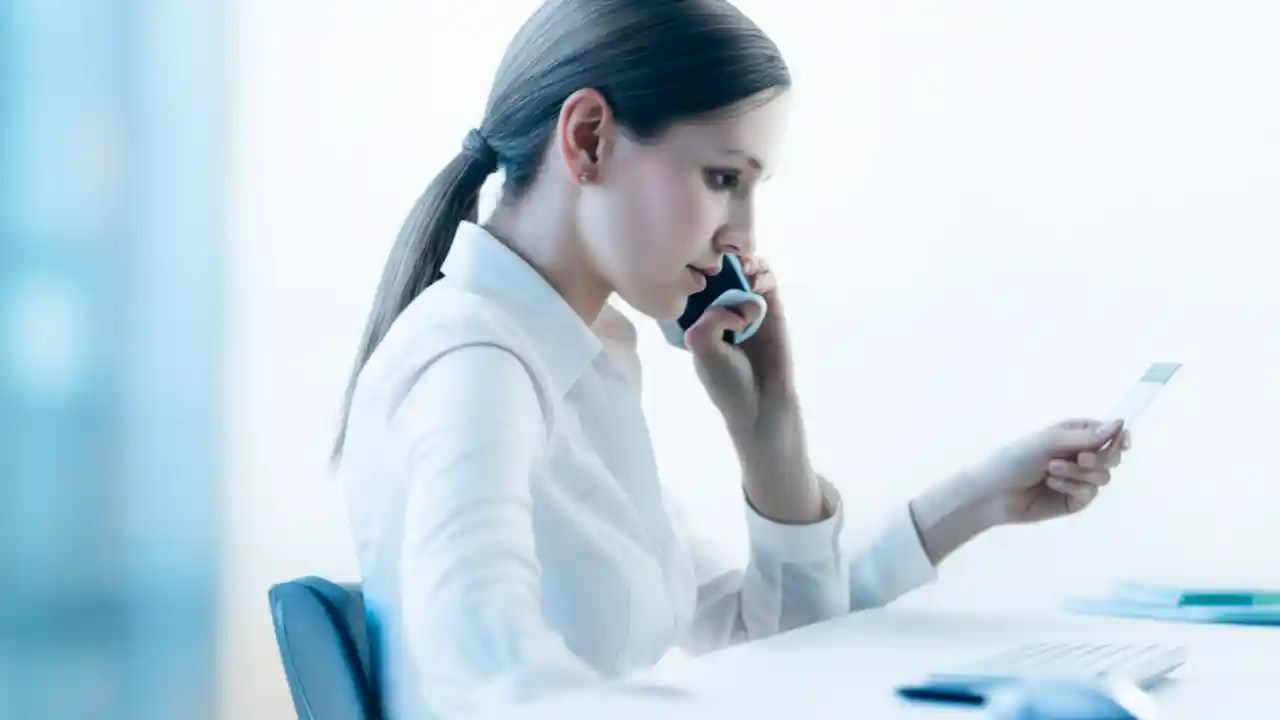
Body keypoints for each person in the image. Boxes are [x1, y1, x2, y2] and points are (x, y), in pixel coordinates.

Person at [335, 1, 1132, 717]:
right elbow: (488, 673)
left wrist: (774, 432)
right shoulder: (475, 363)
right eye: (723, 178)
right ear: (588, 139)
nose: (743, 237)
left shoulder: (581, 364)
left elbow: (772, 642)